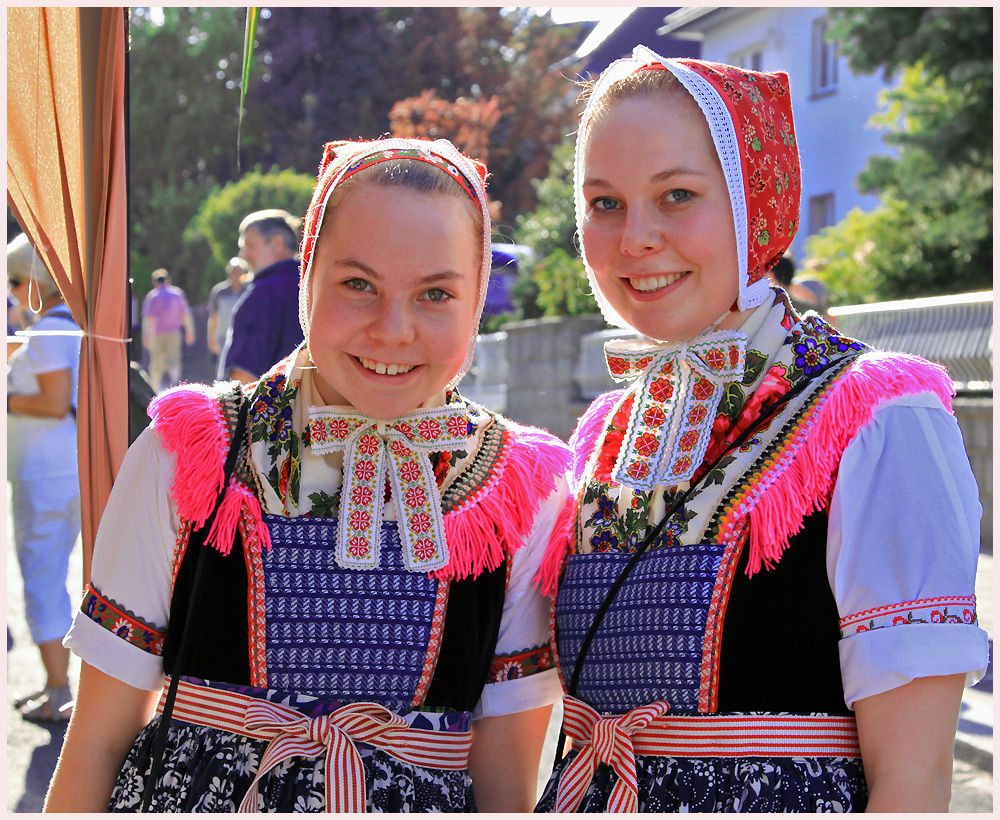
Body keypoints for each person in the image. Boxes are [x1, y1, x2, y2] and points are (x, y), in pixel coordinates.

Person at [44, 137, 569, 813]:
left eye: (436, 293)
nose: (393, 328)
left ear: (475, 306)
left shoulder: (514, 488)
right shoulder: (193, 452)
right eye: (358, 284)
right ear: (306, 278)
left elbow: (505, 785)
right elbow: (96, 743)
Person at [533, 46, 988, 813]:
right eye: (603, 202)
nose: (634, 238)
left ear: (757, 204)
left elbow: (914, 783)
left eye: (677, 194)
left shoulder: (876, 414)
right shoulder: (609, 428)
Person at [6, 232, 82, 724]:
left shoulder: (49, 332)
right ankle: (61, 687)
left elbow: (55, 403)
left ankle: (58, 691)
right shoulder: (70, 325)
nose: (11, 291)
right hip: (70, 469)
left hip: (46, 475)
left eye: (15, 281)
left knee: (42, 579)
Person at [220, 209, 304, 384]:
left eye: (249, 246)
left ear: (277, 244)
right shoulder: (315, 286)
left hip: (277, 409)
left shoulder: (263, 294)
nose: (243, 255)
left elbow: (243, 381)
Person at [141, 269, 195, 393]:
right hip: (174, 333)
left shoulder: (152, 296)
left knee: (156, 364)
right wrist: (190, 332)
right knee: (174, 361)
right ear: (167, 280)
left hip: (157, 334)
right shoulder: (177, 294)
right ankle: (174, 387)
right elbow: (185, 314)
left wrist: (146, 335)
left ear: (155, 282)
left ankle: (154, 390)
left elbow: (148, 318)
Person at [207, 256, 249, 376]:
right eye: (232, 271)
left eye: (238, 270)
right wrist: (212, 339)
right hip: (223, 337)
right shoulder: (219, 292)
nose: (235, 274)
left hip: (244, 336)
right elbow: (213, 316)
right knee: (224, 371)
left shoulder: (249, 289)